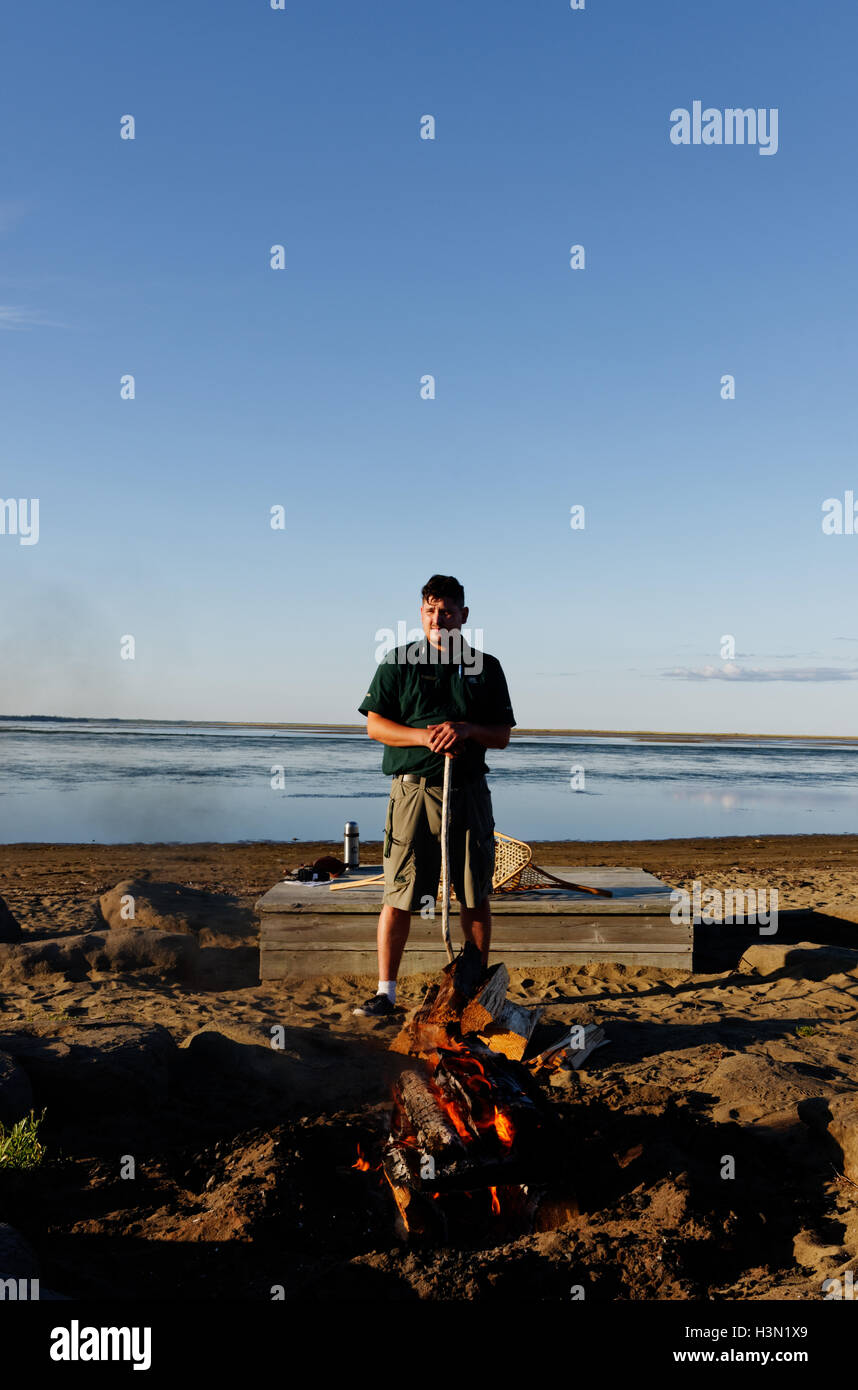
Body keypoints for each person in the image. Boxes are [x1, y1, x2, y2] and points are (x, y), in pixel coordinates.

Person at [352, 575, 516, 1018]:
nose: (438, 618)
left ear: (463, 615)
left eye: (446, 611)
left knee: (474, 891)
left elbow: (500, 735)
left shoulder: (486, 666)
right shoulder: (398, 662)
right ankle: (386, 993)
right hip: (413, 792)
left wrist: (467, 729)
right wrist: (424, 738)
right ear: (420, 613)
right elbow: (375, 726)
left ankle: (475, 989)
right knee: (400, 893)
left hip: (468, 793)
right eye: (430, 610)